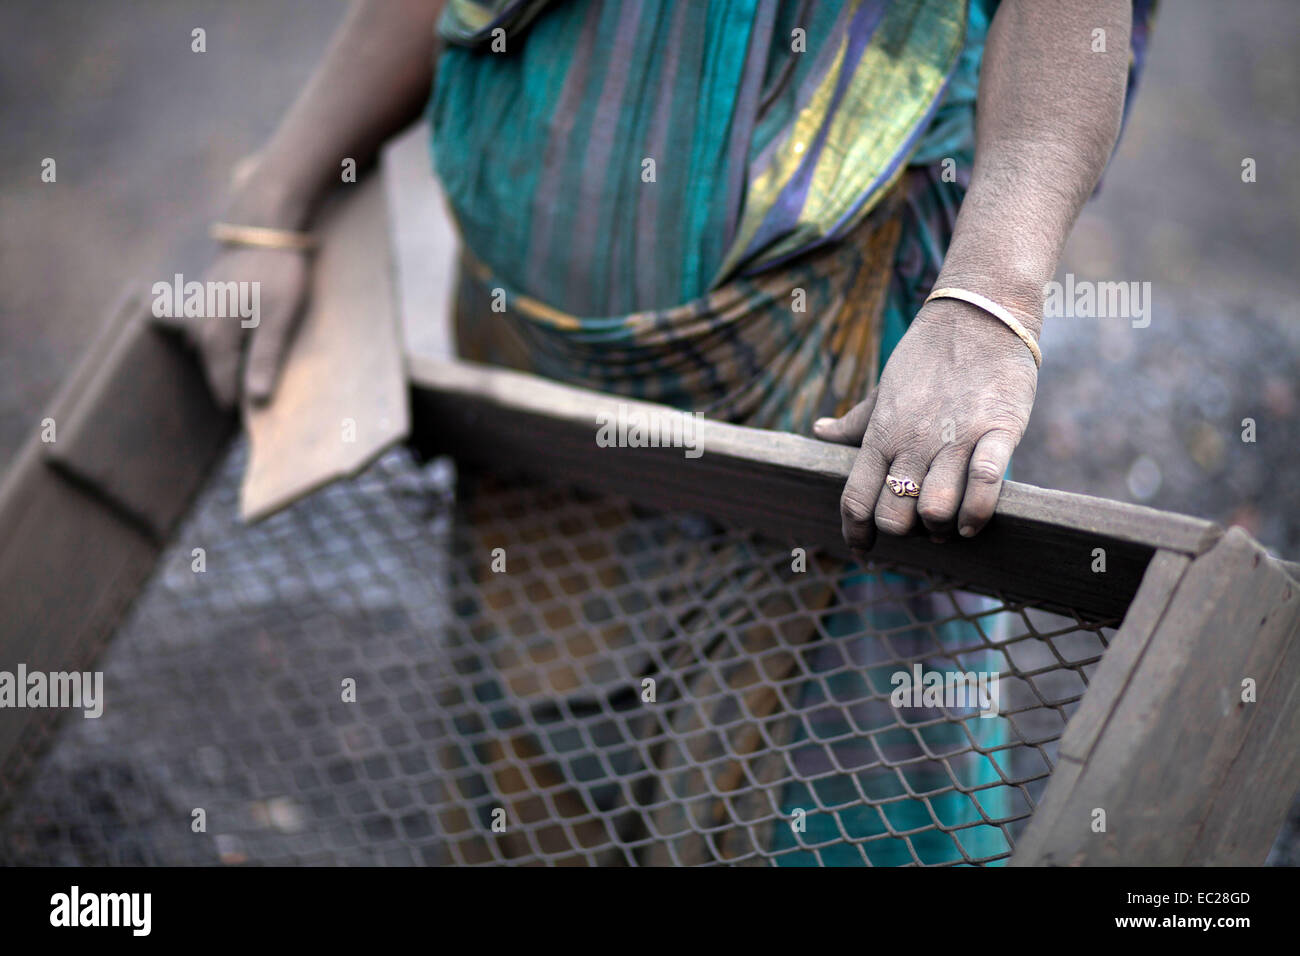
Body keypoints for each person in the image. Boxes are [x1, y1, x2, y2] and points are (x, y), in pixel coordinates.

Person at [189, 0, 1154, 864]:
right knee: (544, 772)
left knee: (817, 804)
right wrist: (274, 205)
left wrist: (989, 297)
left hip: (837, 356)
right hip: (534, 377)